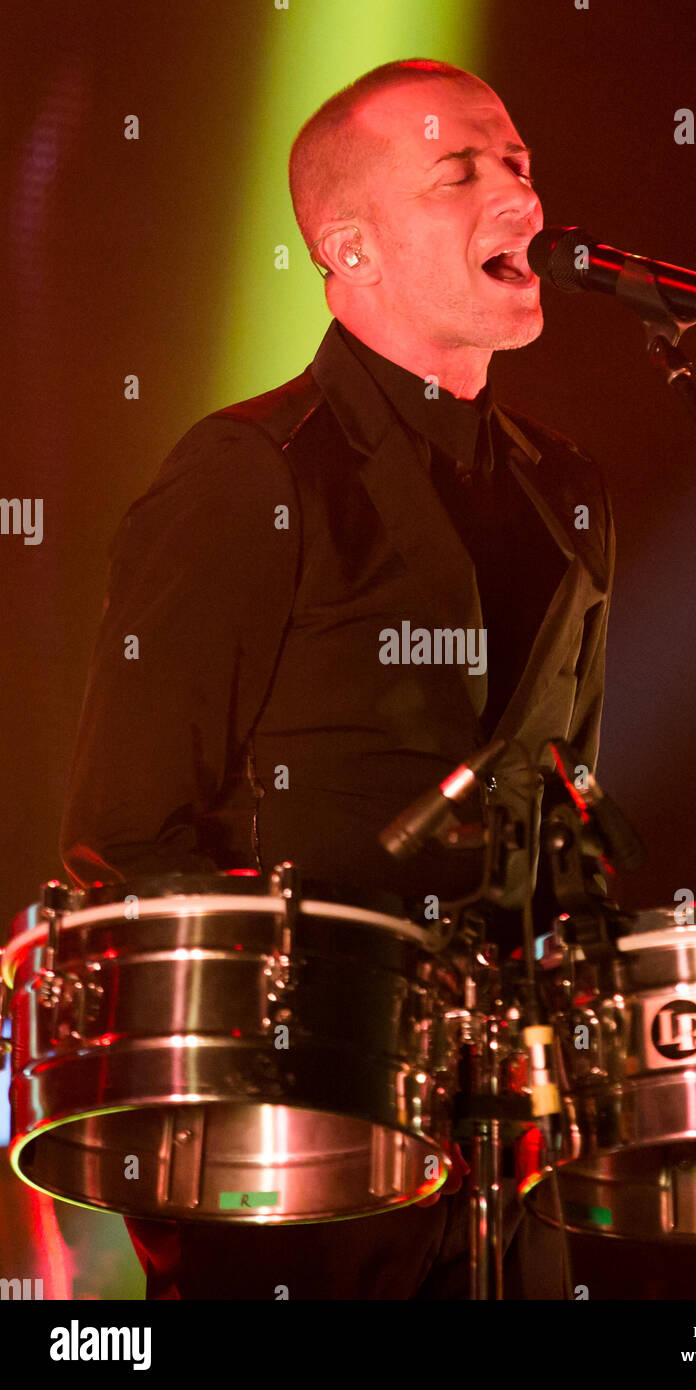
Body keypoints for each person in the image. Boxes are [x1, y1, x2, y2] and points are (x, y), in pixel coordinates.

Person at [60, 58, 615, 1299]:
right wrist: (304, 1040)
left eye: (517, 164)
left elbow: (565, 819)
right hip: (290, 1162)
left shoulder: (567, 490)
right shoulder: (246, 473)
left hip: (499, 1162)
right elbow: (122, 836)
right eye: (459, 172)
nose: (519, 198)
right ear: (348, 248)